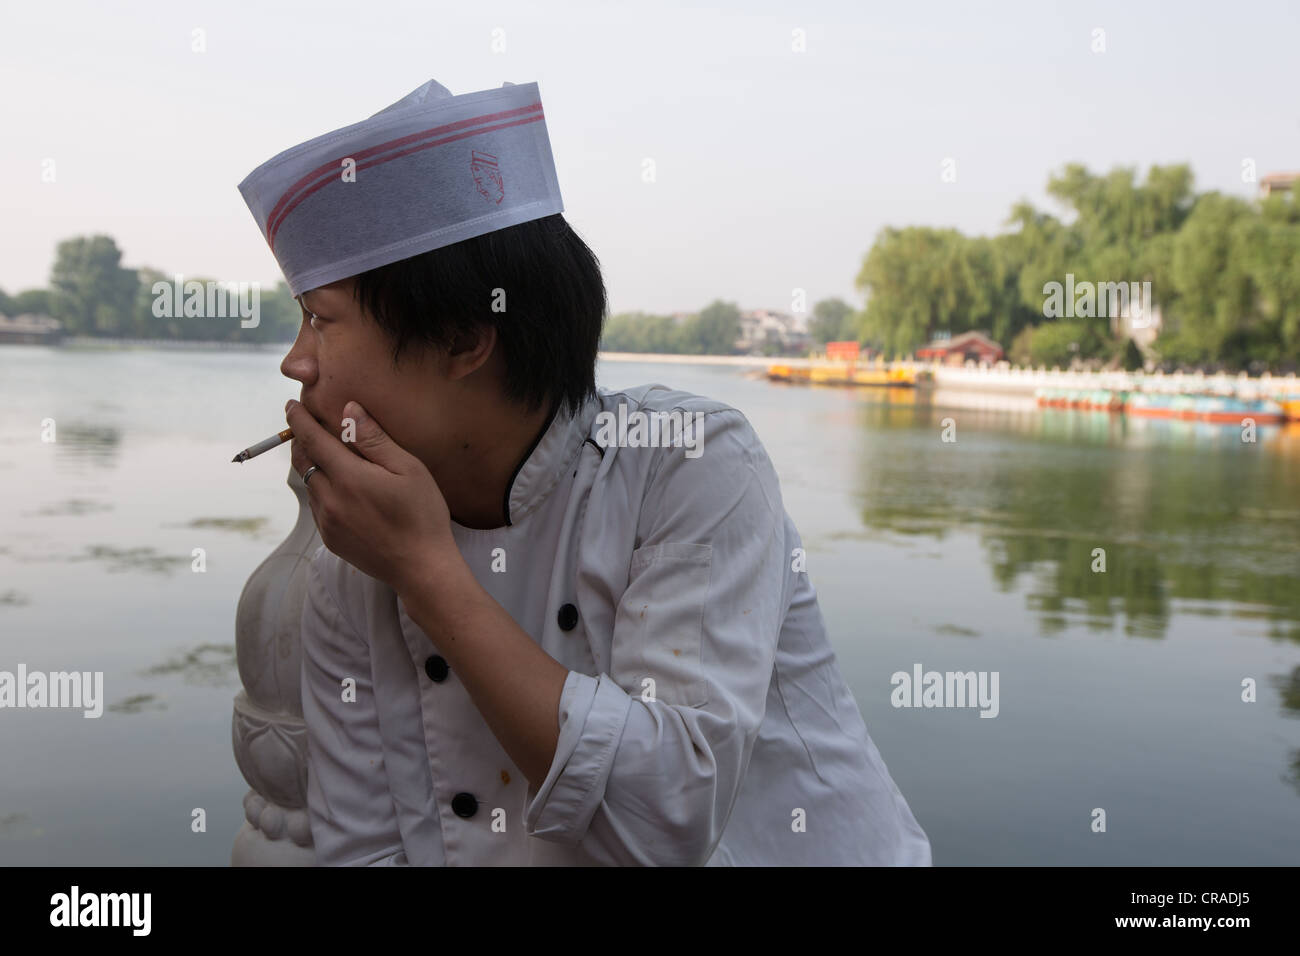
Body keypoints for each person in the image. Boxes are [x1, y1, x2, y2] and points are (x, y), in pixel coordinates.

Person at [240, 78, 931, 866]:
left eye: (322, 319)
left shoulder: (686, 465)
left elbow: (665, 825)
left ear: (466, 339)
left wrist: (428, 573)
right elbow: (364, 852)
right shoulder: (350, 576)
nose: (295, 363)